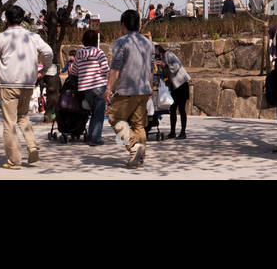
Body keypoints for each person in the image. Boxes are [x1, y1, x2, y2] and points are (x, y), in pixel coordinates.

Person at [0, 5, 52, 169]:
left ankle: (14, 160)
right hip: (27, 82)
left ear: (7, 19)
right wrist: (44, 69)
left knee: (9, 122)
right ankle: (31, 145)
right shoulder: (32, 36)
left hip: (8, 84)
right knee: (23, 117)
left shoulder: (2, 36)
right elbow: (48, 52)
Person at [106, 9, 154, 169]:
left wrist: (108, 88)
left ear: (123, 24)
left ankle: (134, 146)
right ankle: (139, 157)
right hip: (144, 89)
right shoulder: (148, 43)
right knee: (138, 125)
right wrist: (150, 86)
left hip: (126, 90)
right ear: (138, 24)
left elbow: (115, 68)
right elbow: (150, 67)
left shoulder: (122, 42)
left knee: (114, 118)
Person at [66, 29, 108, 145]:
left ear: (84, 40)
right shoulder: (99, 52)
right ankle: (95, 139)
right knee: (98, 113)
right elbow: (105, 69)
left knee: (93, 112)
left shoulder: (79, 53)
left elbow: (74, 71)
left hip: (85, 87)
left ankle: (91, 137)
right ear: (95, 41)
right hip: (99, 85)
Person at [155, 44, 191, 139]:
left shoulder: (169, 54)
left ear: (158, 49)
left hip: (182, 84)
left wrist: (165, 65)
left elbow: (176, 66)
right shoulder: (161, 59)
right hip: (173, 87)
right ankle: (172, 132)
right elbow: (164, 74)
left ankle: (183, 132)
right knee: (172, 109)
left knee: (182, 109)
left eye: (155, 51)